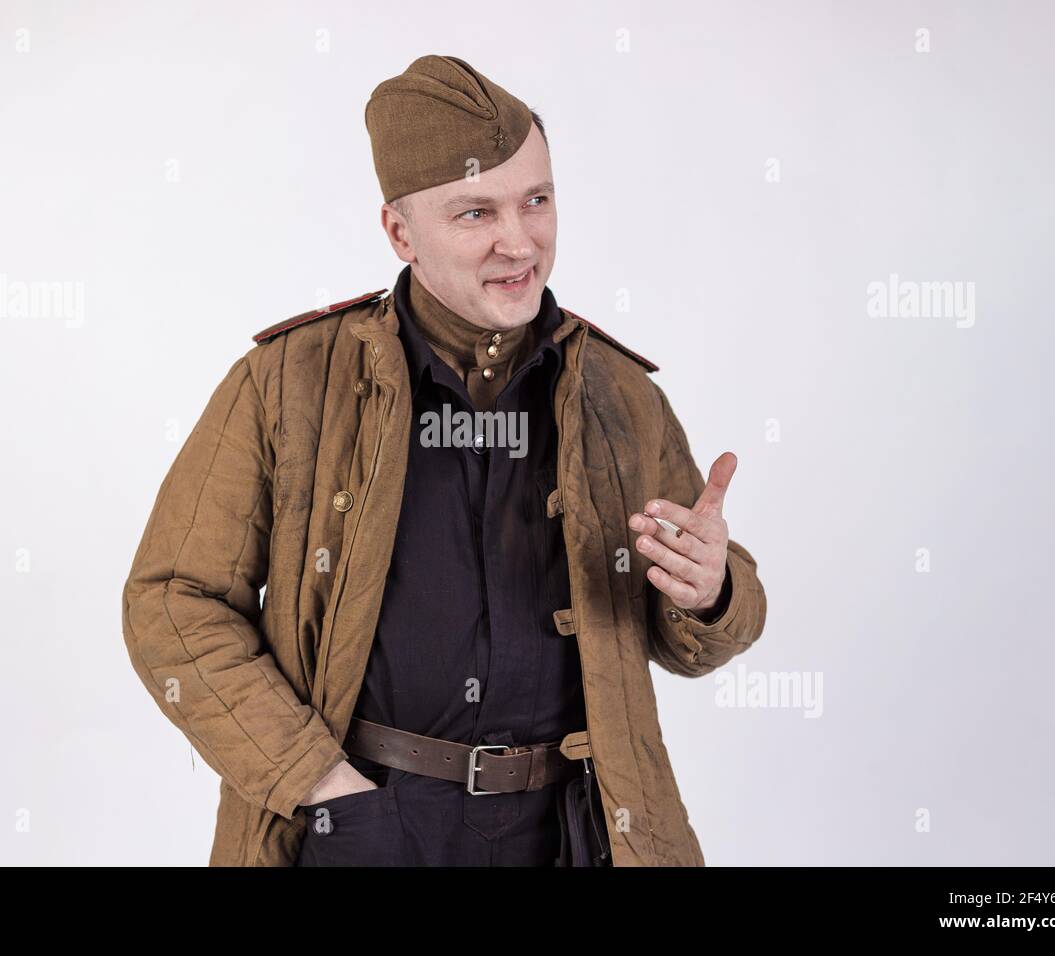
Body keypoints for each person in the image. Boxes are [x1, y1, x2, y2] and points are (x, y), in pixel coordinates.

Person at [121, 54, 767, 867]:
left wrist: (709, 591)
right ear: (401, 233)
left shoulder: (620, 393)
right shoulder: (287, 382)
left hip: (577, 834)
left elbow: (694, 635)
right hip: (367, 827)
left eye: (536, 200)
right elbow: (172, 600)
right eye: (475, 212)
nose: (519, 240)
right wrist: (319, 785)